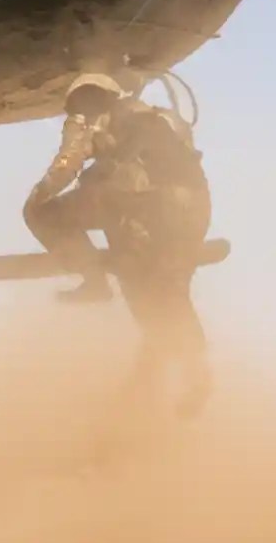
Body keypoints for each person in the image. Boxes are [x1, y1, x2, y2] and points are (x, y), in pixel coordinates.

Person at [23, 73, 213, 417]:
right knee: (170, 292)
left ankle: (93, 281)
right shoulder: (159, 116)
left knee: (44, 215)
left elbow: (68, 164)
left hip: (143, 210)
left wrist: (38, 197)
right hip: (192, 211)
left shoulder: (92, 120)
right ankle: (194, 369)